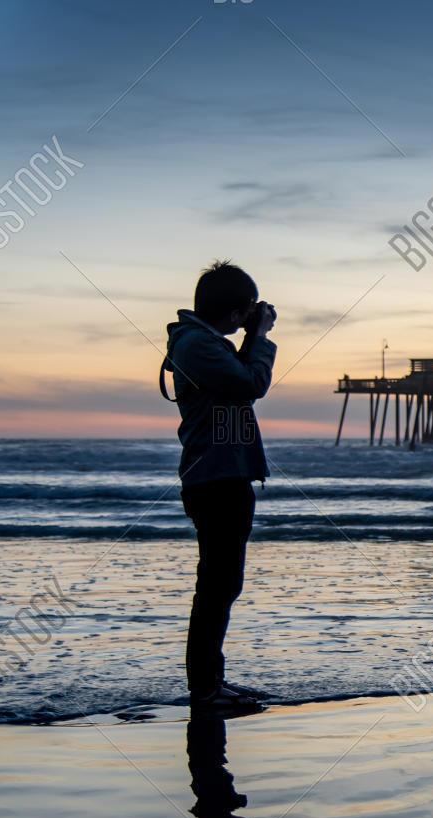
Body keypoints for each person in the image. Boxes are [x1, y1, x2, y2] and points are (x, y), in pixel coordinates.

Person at [161, 260, 277, 709]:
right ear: (233, 313)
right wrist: (260, 338)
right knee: (216, 586)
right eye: (246, 311)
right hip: (216, 481)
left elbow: (240, 386)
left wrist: (251, 335)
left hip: (224, 477)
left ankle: (211, 683)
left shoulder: (202, 342)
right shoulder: (197, 347)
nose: (251, 318)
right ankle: (205, 689)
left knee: (221, 584)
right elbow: (251, 383)